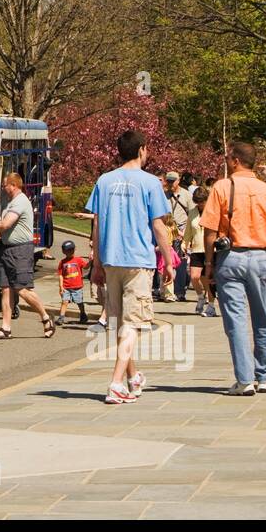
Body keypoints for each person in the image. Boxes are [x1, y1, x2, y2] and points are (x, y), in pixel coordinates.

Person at [86, 130, 175, 404]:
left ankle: (132, 376)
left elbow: (97, 224)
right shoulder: (149, 183)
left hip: (111, 259)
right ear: (141, 150)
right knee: (131, 325)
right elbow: (158, 225)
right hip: (138, 261)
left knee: (121, 323)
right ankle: (115, 383)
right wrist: (168, 260)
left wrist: (97, 263)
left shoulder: (104, 180)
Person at [203, 142, 266, 396]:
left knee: (236, 321)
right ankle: (265, 375)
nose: (226, 161)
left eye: (228, 157)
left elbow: (209, 230)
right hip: (261, 257)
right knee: (262, 317)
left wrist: (209, 264)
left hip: (231, 257)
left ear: (236, 161)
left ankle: (244, 379)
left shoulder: (222, 187)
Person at [0, 172, 53, 339]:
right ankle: (5, 328)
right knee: (5, 289)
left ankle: (46, 318)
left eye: (5, 184)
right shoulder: (11, 203)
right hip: (7, 249)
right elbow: (1, 220)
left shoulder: (21, 201)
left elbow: (5, 224)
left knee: (22, 289)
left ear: (13, 185)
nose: (3, 187)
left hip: (20, 250)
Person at [185, 186, 217, 316]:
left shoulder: (213, 211)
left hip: (211, 249)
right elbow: (189, 229)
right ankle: (200, 297)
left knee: (207, 279)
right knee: (194, 276)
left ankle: (211, 305)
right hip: (197, 248)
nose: (200, 204)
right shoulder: (192, 212)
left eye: (202, 202)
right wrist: (185, 242)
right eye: (197, 202)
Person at [163, 171, 192, 301]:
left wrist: (187, 233)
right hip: (168, 230)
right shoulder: (164, 195)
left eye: (172, 181)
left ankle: (180, 291)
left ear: (178, 181)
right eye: (168, 181)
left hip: (182, 230)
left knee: (180, 262)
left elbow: (192, 214)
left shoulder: (186, 195)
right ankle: (167, 291)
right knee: (166, 261)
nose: (170, 183)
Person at [56, 240, 90, 325]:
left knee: (79, 302)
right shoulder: (62, 262)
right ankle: (61, 317)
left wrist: (91, 261)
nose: (70, 252)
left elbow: (85, 267)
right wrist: (61, 286)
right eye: (68, 250)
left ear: (75, 249)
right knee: (65, 301)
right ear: (64, 251)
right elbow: (60, 275)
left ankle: (83, 314)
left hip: (77, 286)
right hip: (66, 287)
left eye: (72, 250)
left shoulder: (78, 260)